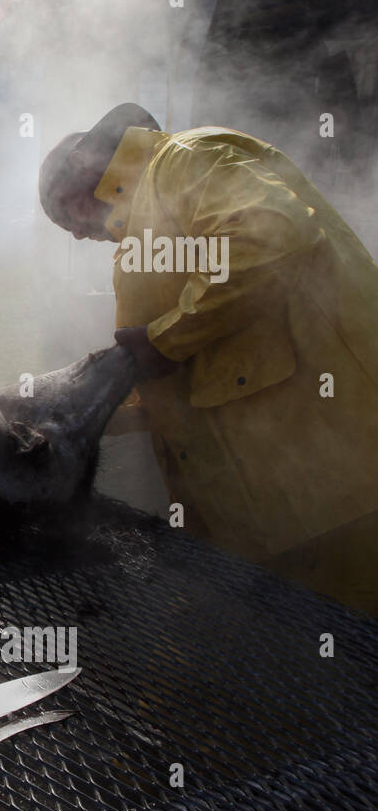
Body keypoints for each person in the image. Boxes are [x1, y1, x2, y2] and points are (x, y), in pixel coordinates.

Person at [40, 103, 378, 615]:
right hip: (284, 505)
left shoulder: (184, 161)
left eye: (65, 216)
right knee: (312, 662)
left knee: (353, 659)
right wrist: (83, 413)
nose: (76, 234)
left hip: (335, 487)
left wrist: (164, 341)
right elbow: (184, 361)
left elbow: (272, 233)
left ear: (84, 170)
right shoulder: (144, 221)